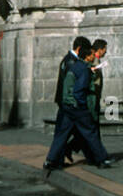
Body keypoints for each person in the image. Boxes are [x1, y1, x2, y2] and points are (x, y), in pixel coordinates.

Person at [43, 36, 112, 176]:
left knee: (62, 134)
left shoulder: (75, 66)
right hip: (77, 107)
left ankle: (50, 161)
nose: (95, 56)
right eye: (92, 54)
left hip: (67, 106)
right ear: (87, 56)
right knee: (91, 132)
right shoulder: (84, 70)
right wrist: (82, 106)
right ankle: (102, 159)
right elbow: (79, 90)